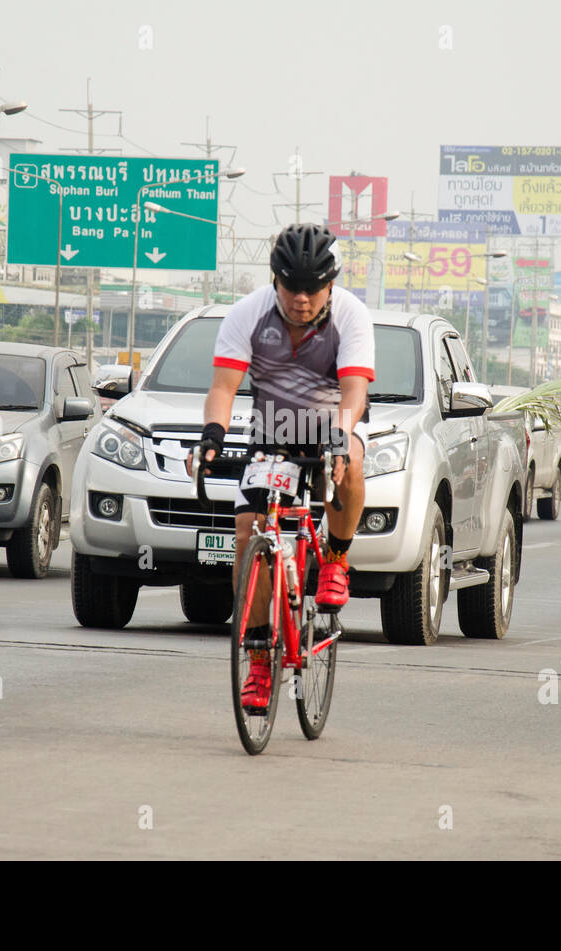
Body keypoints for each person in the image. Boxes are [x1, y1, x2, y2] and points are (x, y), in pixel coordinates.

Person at [188, 223, 374, 711]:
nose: (301, 299)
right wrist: (213, 435)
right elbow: (224, 388)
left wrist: (338, 438)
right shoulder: (248, 314)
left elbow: (355, 392)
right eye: (291, 287)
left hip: (334, 419)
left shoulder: (352, 316)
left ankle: (335, 557)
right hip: (271, 433)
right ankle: (258, 660)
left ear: (330, 284)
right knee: (249, 533)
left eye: (313, 289)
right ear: (275, 280)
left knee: (351, 459)